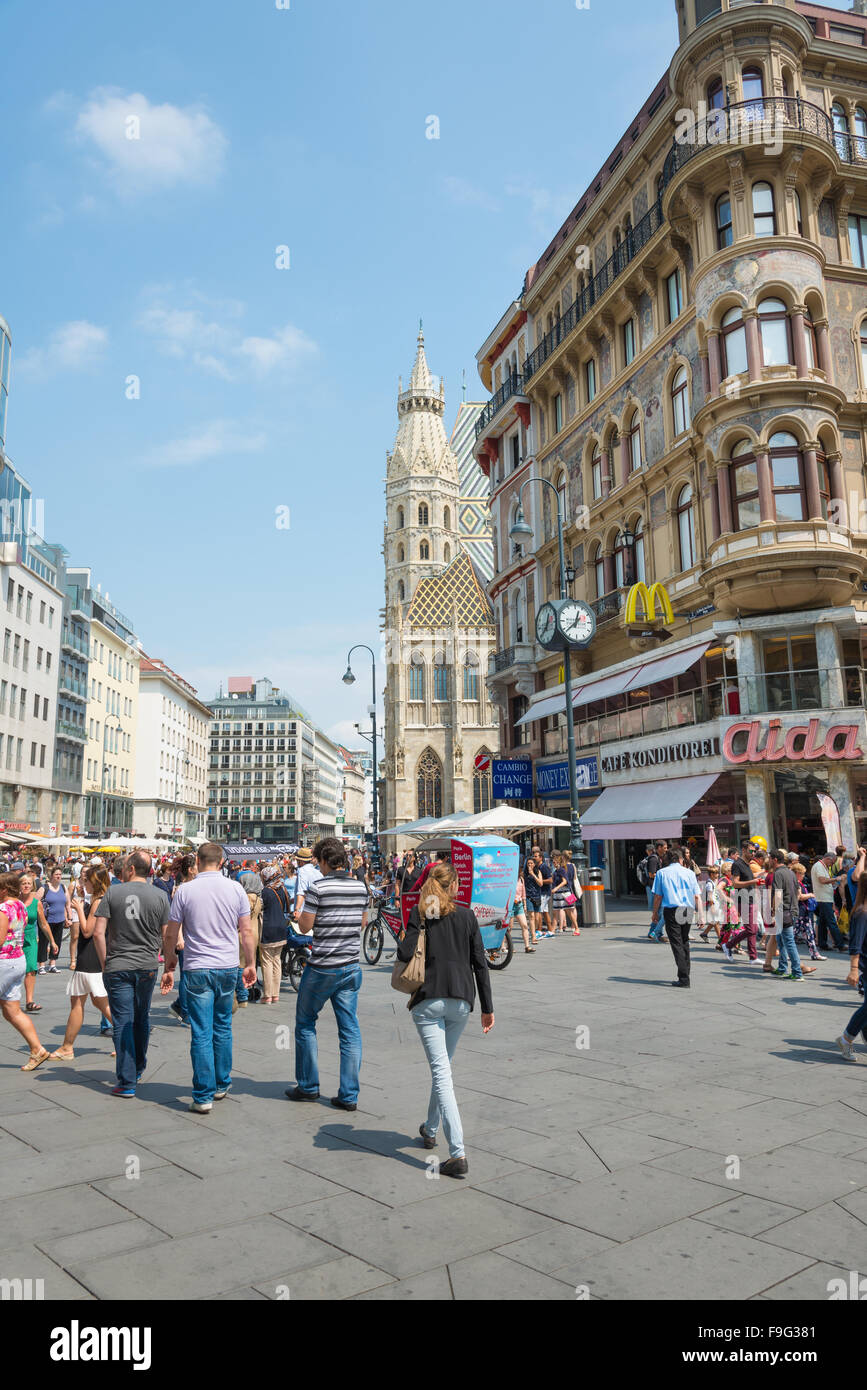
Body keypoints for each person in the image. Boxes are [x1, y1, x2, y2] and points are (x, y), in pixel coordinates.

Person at [396, 862, 494, 1177]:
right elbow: (480, 963)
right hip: (462, 1002)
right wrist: (487, 1008)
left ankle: (458, 1154)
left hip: (429, 1000)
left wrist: (419, 920)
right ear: (454, 887)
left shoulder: (423, 913)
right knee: (444, 1069)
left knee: (442, 1074)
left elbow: (403, 953)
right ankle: (430, 1127)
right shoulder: (467, 916)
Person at [162, 841, 256, 1113]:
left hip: (197, 967)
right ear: (222, 862)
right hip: (227, 967)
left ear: (198, 862)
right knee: (223, 1026)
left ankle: (203, 1096)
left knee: (201, 1031)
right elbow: (246, 932)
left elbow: (171, 932)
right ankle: (221, 1083)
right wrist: (249, 964)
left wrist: (169, 964)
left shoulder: (185, 891)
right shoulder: (236, 888)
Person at [285, 837, 368, 1110]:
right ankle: (349, 1094)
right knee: (350, 1030)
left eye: (318, 863)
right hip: (350, 966)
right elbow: (363, 921)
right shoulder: (360, 887)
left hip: (322, 967)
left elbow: (306, 926)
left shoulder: (318, 887)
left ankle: (308, 1086)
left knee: (306, 1023)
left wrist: (309, 916)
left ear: (323, 860)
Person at [93, 850, 172, 1098]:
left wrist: (106, 964)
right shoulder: (160, 895)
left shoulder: (113, 892)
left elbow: (98, 933)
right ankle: (138, 1067)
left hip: (118, 965)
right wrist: (168, 962)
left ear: (130, 869)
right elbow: (167, 934)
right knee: (141, 1017)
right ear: (149, 871)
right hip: (147, 965)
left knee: (122, 1021)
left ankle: (126, 1081)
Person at [51, 867, 114, 1060]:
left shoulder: (98, 902)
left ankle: (128, 1040)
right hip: (90, 956)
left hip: (90, 957)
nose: (82, 883)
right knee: (92, 1002)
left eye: (85, 880)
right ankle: (67, 1047)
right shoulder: (100, 899)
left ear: (94, 882)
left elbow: (88, 931)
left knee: (86, 1002)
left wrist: (79, 908)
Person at [0, 872, 50, 1070]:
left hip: (4, 962)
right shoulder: (20, 905)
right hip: (18, 960)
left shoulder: (3, 908)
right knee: (12, 1011)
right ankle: (37, 1049)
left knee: (12, 1010)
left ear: (4, 889)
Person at [650, 848, 701, 988]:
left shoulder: (661, 873)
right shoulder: (690, 873)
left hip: (672, 910)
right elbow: (697, 895)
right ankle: (685, 974)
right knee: (684, 941)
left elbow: (658, 896)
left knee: (676, 943)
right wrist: (701, 915)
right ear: (680, 859)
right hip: (687, 909)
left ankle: (684, 978)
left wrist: (655, 913)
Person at [768, 848, 815, 982]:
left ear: (775, 859)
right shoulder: (791, 873)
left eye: (770, 858)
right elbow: (797, 892)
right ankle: (782, 968)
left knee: (788, 942)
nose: (769, 861)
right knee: (781, 940)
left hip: (783, 911)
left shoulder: (778, 874)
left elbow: (777, 894)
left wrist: (773, 911)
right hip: (792, 910)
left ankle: (797, 972)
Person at [835, 871, 867, 1061]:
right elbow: (855, 945)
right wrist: (853, 969)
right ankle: (846, 1039)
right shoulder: (862, 913)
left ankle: (847, 1039)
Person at [722, 840, 764, 963]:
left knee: (753, 929)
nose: (753, 853)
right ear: (744, 850)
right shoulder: (737, 864)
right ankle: (728, 945)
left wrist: (757, 881)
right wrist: (753, 882)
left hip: (751, 899)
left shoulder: (747, 864)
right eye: (751, 851)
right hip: (743, 900)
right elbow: (735, 883)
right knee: (751, 929)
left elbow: (748, 881)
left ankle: (753, 956)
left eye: (755, 851)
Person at [259, 864, 291, 1004]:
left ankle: (267, 995)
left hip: (268, 928)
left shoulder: (266, 891)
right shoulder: (283, 889)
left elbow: (259, 908)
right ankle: (275, 994)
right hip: (281, 928)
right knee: (277, 961)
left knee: (267, 962)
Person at [20, 871, 49, 1011]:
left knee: (31, 969)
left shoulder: (36, 903)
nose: (26, 886)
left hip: (30, 938)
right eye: (23, 883)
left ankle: (29, 1001)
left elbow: (43, 924)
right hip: (14, 939)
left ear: (32, 886)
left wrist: (52, 941)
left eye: (28, 883)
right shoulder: (13, 900)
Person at [811, 851, 847, 953]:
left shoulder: (822, 866)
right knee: (831, 922)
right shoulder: (819, 866)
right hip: (823, 898)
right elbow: (822, 880)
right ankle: (840, 944)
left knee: (823, 922)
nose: (831, 865)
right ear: (828, 859)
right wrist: (836, 879)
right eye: (832, 862)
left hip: (825, 897)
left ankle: (823, 944)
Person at [40, 865, 68, 976]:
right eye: (56, 874)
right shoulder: (44, 888)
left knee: (57, 942)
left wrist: (68, 917)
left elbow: (67, 903)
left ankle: (52, 964)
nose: (59, 876)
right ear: (51, 876)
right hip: (47, 920)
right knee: (44, 942)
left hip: (59, 919)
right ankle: (42, 965)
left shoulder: (63, 887)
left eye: (60, 874)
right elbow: (36, 903)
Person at [646, 840, 667, 942]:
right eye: (665, 847)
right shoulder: (653, 859)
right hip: (654, 888)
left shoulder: (659, 858)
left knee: (660, 911)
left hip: (657, 887)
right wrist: (663, 876)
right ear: (659, 847)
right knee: (659, 911)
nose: (666, 850)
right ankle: (654, 932)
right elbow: (651, 874)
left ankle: (656, 932)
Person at [294, 846, 322, 921]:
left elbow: (301, 893)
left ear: (301, 861)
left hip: (304, 912)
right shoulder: (318, 872)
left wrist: (297, 910)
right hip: (317, 911)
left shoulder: (302, 871)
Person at [511, 871, 535, 953]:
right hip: (510, 905)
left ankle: (527, 946)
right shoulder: (509, 879)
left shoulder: (521, 879)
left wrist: (524, 905)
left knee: (524, 925)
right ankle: (507, 946)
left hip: (519, 905)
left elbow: (523, 892)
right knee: (509, 928)